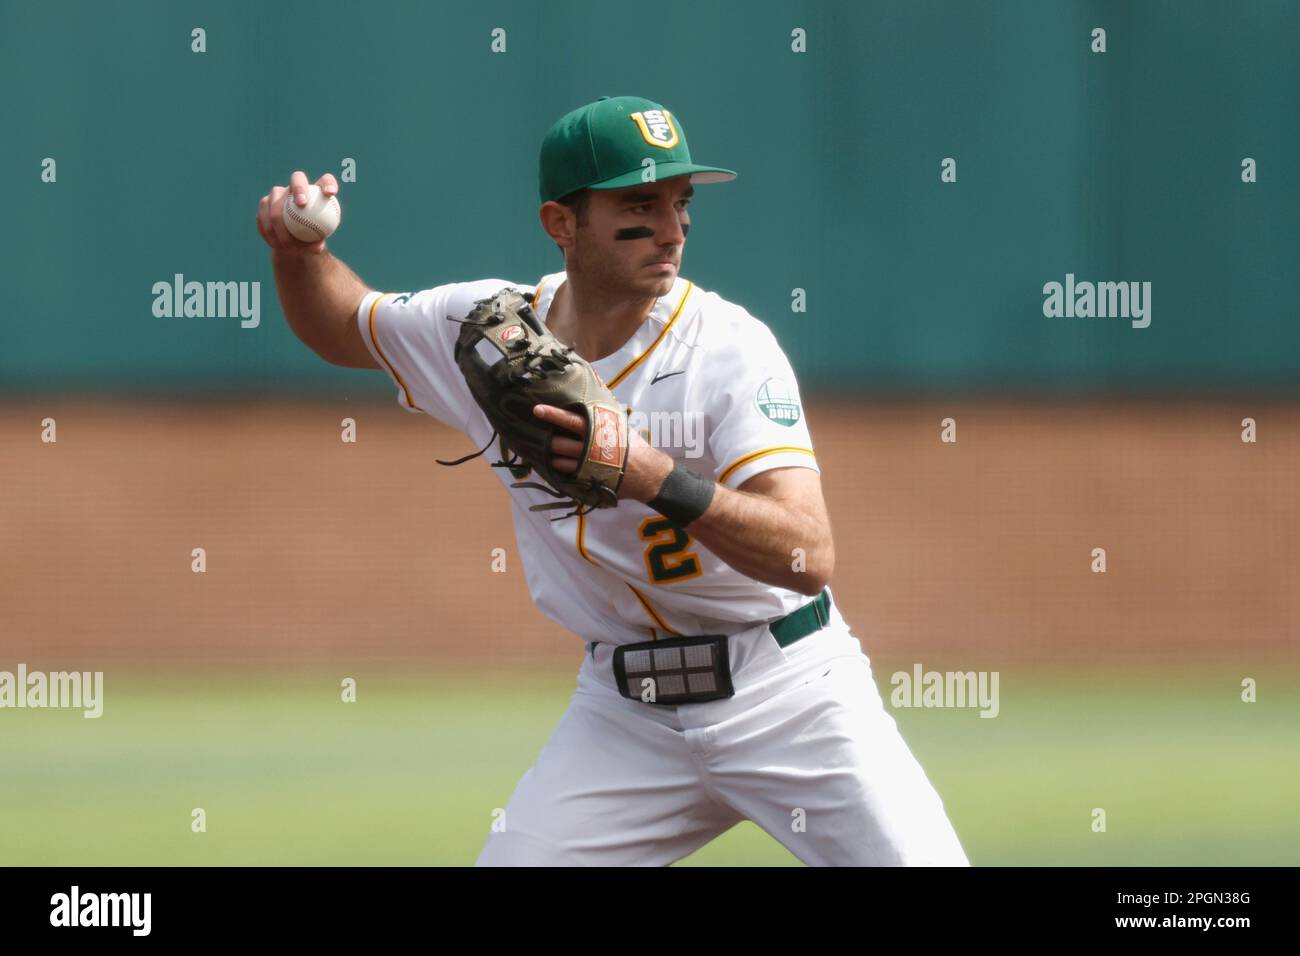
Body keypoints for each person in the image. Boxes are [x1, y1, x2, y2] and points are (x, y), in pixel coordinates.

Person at [257, 95, 970, 866]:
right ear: (561, 224)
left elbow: (808, 554)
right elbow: (344, 323)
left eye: (681, 201)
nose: (673, 228)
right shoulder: (488, 335)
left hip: (789, 691)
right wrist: (298, 253)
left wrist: (650, 474)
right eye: (640, 203)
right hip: (628, 715)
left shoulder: (730, 350)